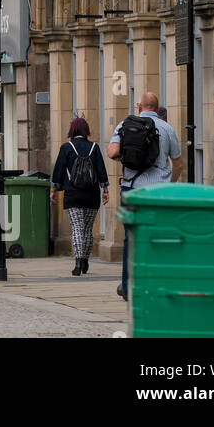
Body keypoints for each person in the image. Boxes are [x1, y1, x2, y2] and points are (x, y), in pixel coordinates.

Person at [108, 91, 183, 300]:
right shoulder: (167, 128)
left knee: (130, 238)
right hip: (159, 193)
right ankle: (157, 283)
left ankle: (127, 286)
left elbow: (112, 152)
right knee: (159, 237)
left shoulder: (124, 125)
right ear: (158, 109)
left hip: (131, 190)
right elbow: (178, 163)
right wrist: (170, 183)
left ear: (139, 106)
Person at [51, 117, 110, 276]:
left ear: (72, 130)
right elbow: (101, 170)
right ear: (86, 131)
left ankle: (77, 263)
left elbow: (59, 170)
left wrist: (54, 190)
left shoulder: (66, 148)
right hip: (91, 195)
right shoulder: (94, 148)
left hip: (73, 194)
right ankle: (85, 261)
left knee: (77, 228)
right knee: (87, 229)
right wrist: (105, 190)